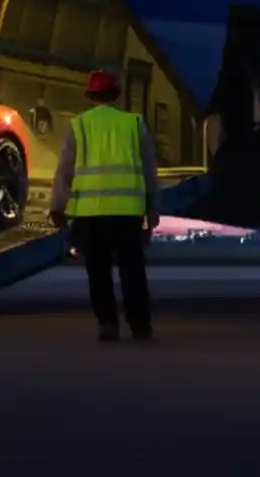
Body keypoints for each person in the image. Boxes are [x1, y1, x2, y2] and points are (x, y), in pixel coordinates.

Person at [49, 71, 160, 341]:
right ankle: (140, 325)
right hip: (128, 212)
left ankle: (108, 324)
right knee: (133, 271)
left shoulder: (80, 125)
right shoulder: (134, 123)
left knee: (98, 273)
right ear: (116, 95)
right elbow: (149, 169)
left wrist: (57, 206)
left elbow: (65, 169)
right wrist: (152, 208)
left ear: (90, 96)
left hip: (91, 214)